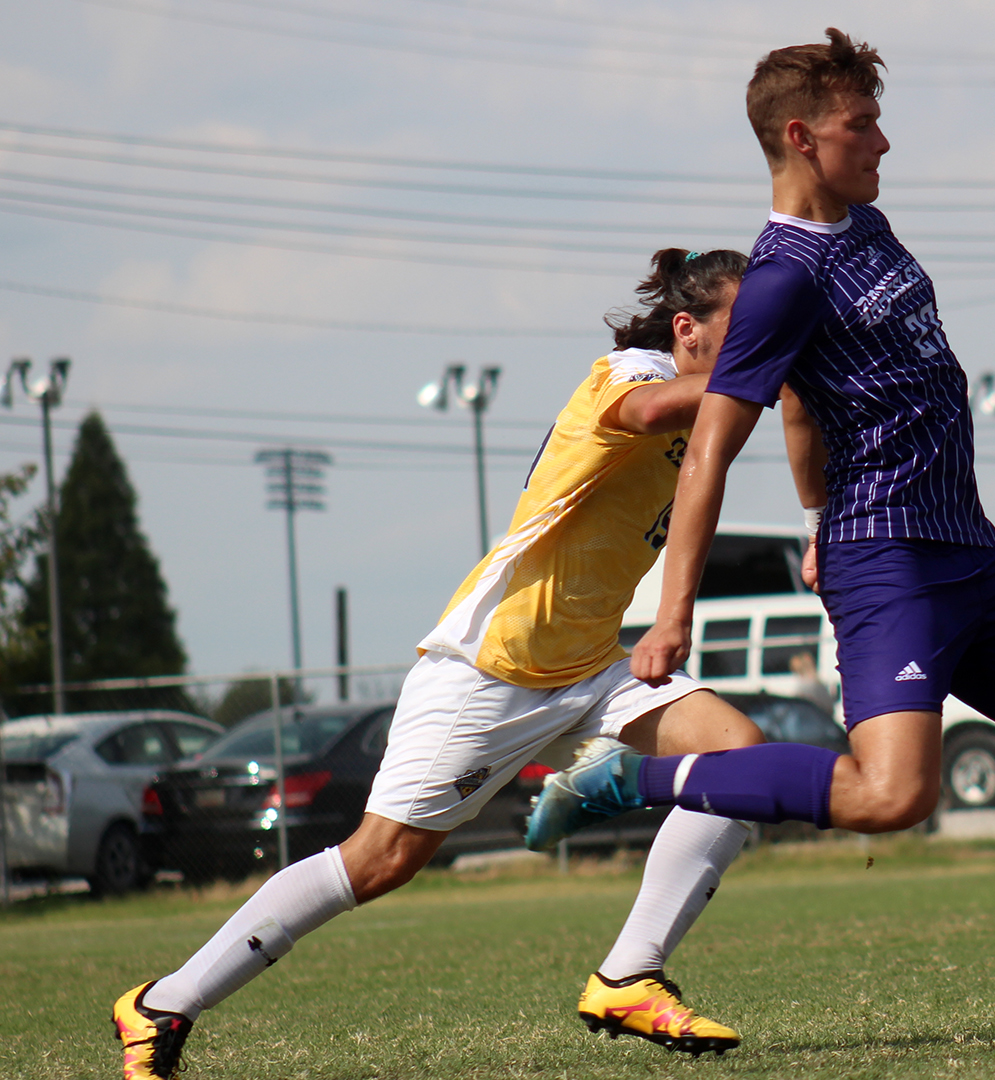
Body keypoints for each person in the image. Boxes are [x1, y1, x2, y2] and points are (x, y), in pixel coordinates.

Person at [526, 29, 995, 1045]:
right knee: (890, 799)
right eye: (863, 126)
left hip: (974, 553)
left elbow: (808, 408)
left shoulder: (870, 226)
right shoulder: (780, 280)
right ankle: (629, 778)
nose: (884, 143)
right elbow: (714, 449)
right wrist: (671, 617)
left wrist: (808, 518)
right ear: (803, 137)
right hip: (889, 566)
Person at [114, 249, 765, 1079]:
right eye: (747, 330)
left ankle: (628, 976)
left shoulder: (713, 405)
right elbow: (648, 414)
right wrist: (772, 365)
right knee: (378, 861)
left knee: (741, 760)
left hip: (592, 665)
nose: (760, 346)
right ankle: (161, 1004)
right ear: (687, 329)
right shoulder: (627, 373)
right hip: (491, 669)